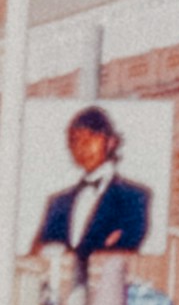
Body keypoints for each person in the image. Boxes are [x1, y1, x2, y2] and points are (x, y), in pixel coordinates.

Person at [39, 108, 154, 260]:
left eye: (91, 138)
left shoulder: (134, 197)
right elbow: (40, 250)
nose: (82, 147)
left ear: (111, 142)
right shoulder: (58, 203)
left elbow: (125, 247)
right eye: (74, 141)